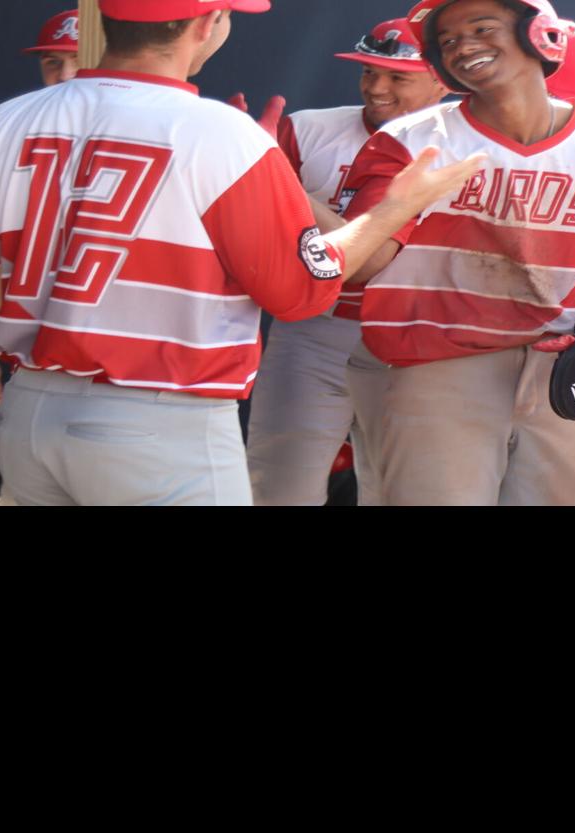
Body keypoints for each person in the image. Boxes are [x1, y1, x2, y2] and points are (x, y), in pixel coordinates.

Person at [0, 0, 484, 506]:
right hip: (160, 423)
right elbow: (300, 291)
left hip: (30, 415)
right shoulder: (223, 134)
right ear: (206, 24)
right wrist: (393, 210)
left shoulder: (4, 122)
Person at [339, 0, 575, 506]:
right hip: (434, 366)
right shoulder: (412, 140)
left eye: (482, 28)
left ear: (538, 33)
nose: (464, 45)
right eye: (448, 40)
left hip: (559, 368)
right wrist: (398, 206)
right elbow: (361, 267)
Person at [245, 15, 449, 506]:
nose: (376, 88)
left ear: (442, 80)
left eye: (397, 77)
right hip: (316, 325)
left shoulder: (470, 141)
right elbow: (259, 234)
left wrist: (281, 183)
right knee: (277, 485)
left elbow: (368, 256)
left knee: (402, 492)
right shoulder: (307, 128)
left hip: (417, 337)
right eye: (368, 71)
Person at [0, 9, 86, 409]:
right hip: (36, 365)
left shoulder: (160, 131)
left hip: (132, 369)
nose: (65, 75)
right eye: (52, 62)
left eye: (78, 59)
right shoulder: (17, 138)